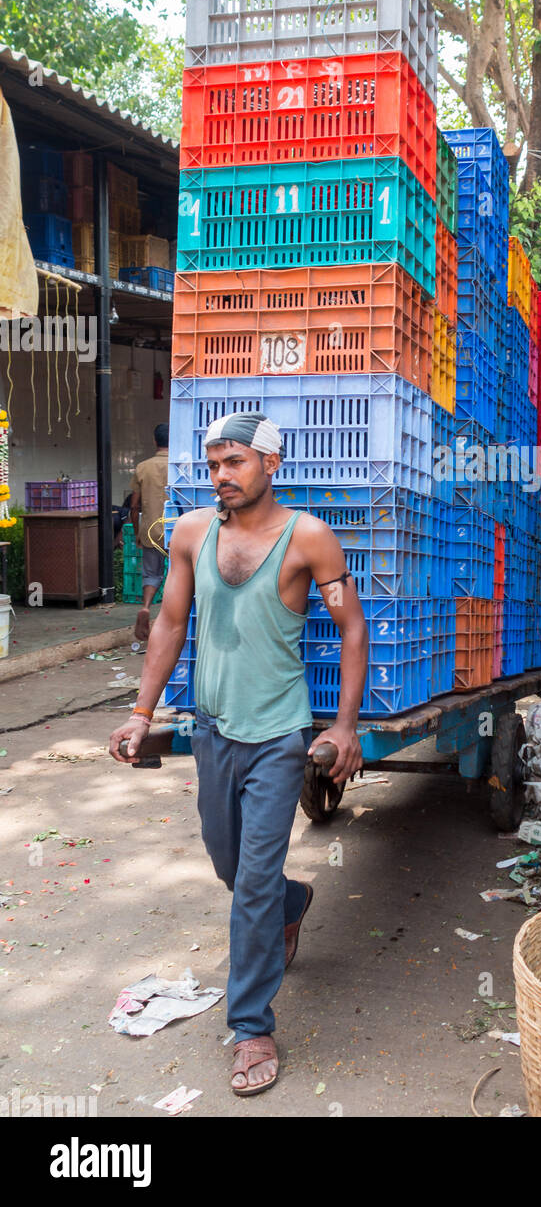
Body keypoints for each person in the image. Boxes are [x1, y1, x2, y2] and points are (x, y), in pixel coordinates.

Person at [109, 411, 369, 1097]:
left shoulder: (308, 537)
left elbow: (351, 625)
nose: (221, 475)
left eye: (235, 463)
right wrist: (142, 713)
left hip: (279, 735)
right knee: (231, 866)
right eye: (214, 463)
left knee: (249, 881)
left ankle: (251, 1024)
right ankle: (292, 902)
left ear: (270, 464)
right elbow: (169, 620)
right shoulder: (192, 532)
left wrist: (343, 726)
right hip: (212, 731)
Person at [130, 424, 170, 643]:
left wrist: (138, 533)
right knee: (178, 574)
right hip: (178, 530)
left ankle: (145, 607)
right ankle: (169, 618)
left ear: (155, 442)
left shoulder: (143, 467)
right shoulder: (181, 466)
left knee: (151, 574)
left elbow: (134, 506)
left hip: (150, 531)